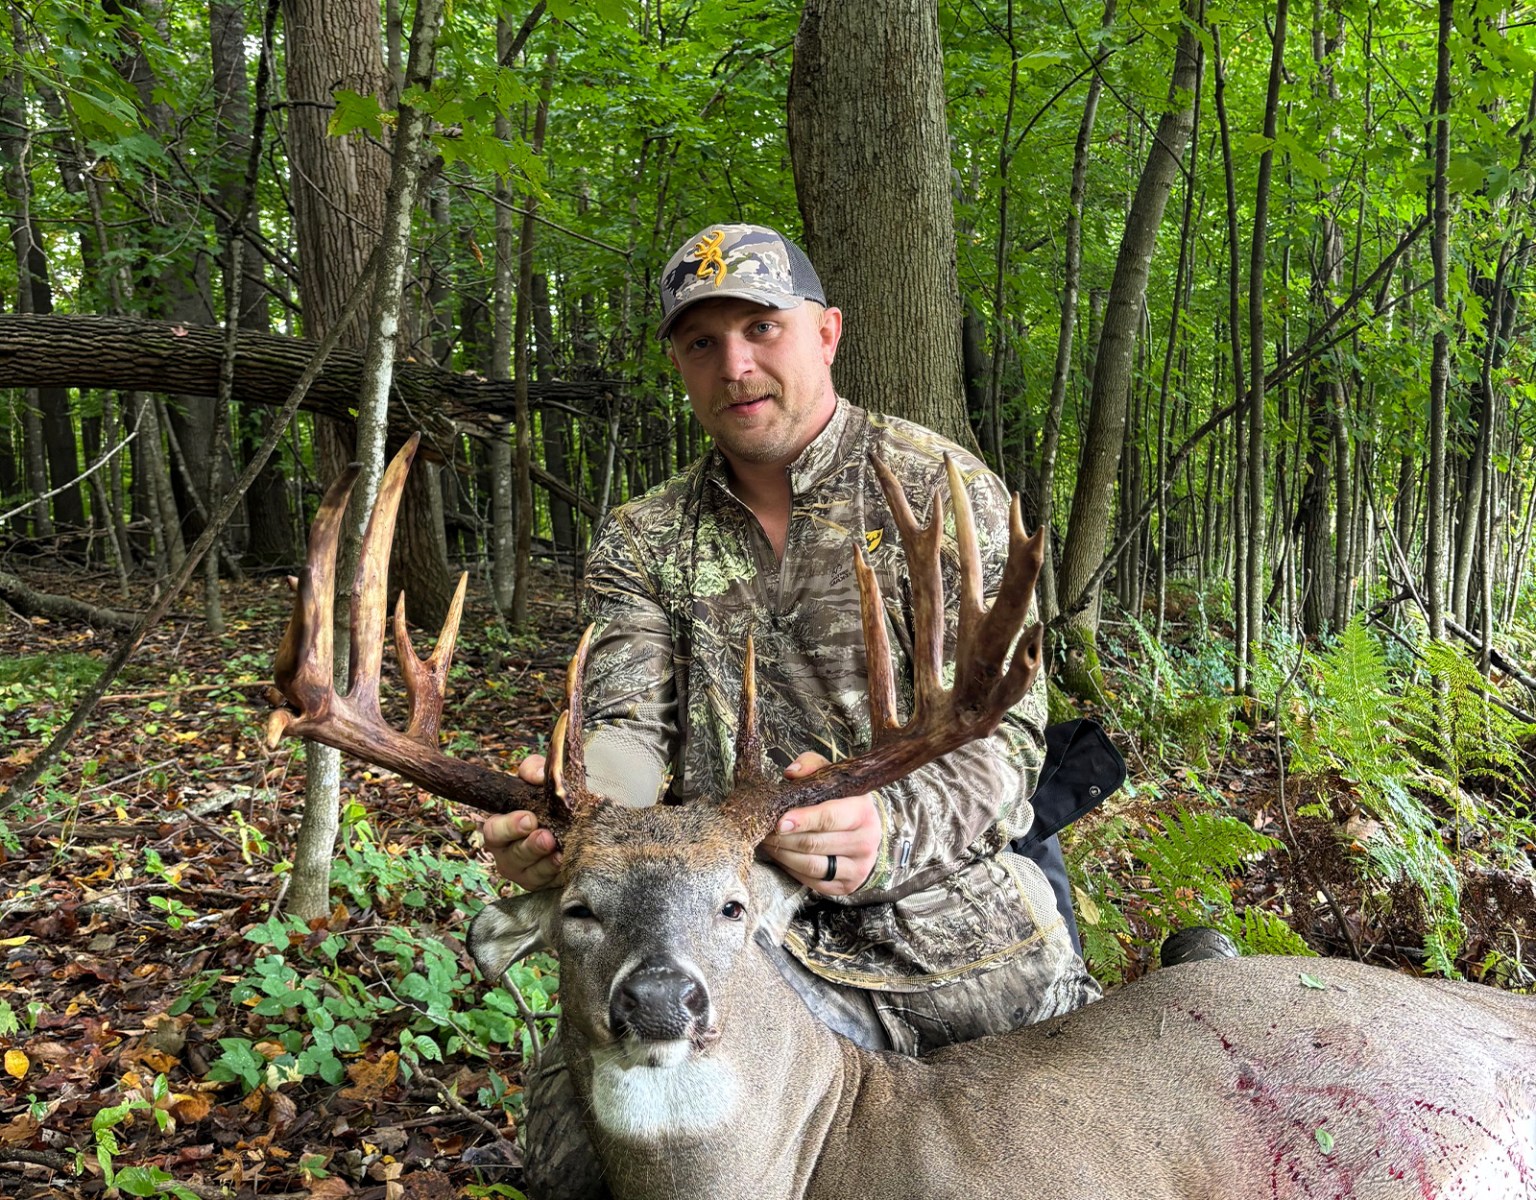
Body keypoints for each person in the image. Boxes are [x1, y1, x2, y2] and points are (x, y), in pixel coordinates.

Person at [483, 223, 1102, 1199]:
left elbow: (1007, 735)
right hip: (724, 939)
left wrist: (888, 829)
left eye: (762, 328)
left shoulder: (945, 494)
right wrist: (588, 825)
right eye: (702, 343)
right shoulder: (644, 538)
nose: (736, 365)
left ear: (827, 333)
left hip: (943, 936)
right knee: (571, 1158)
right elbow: (628, 744)